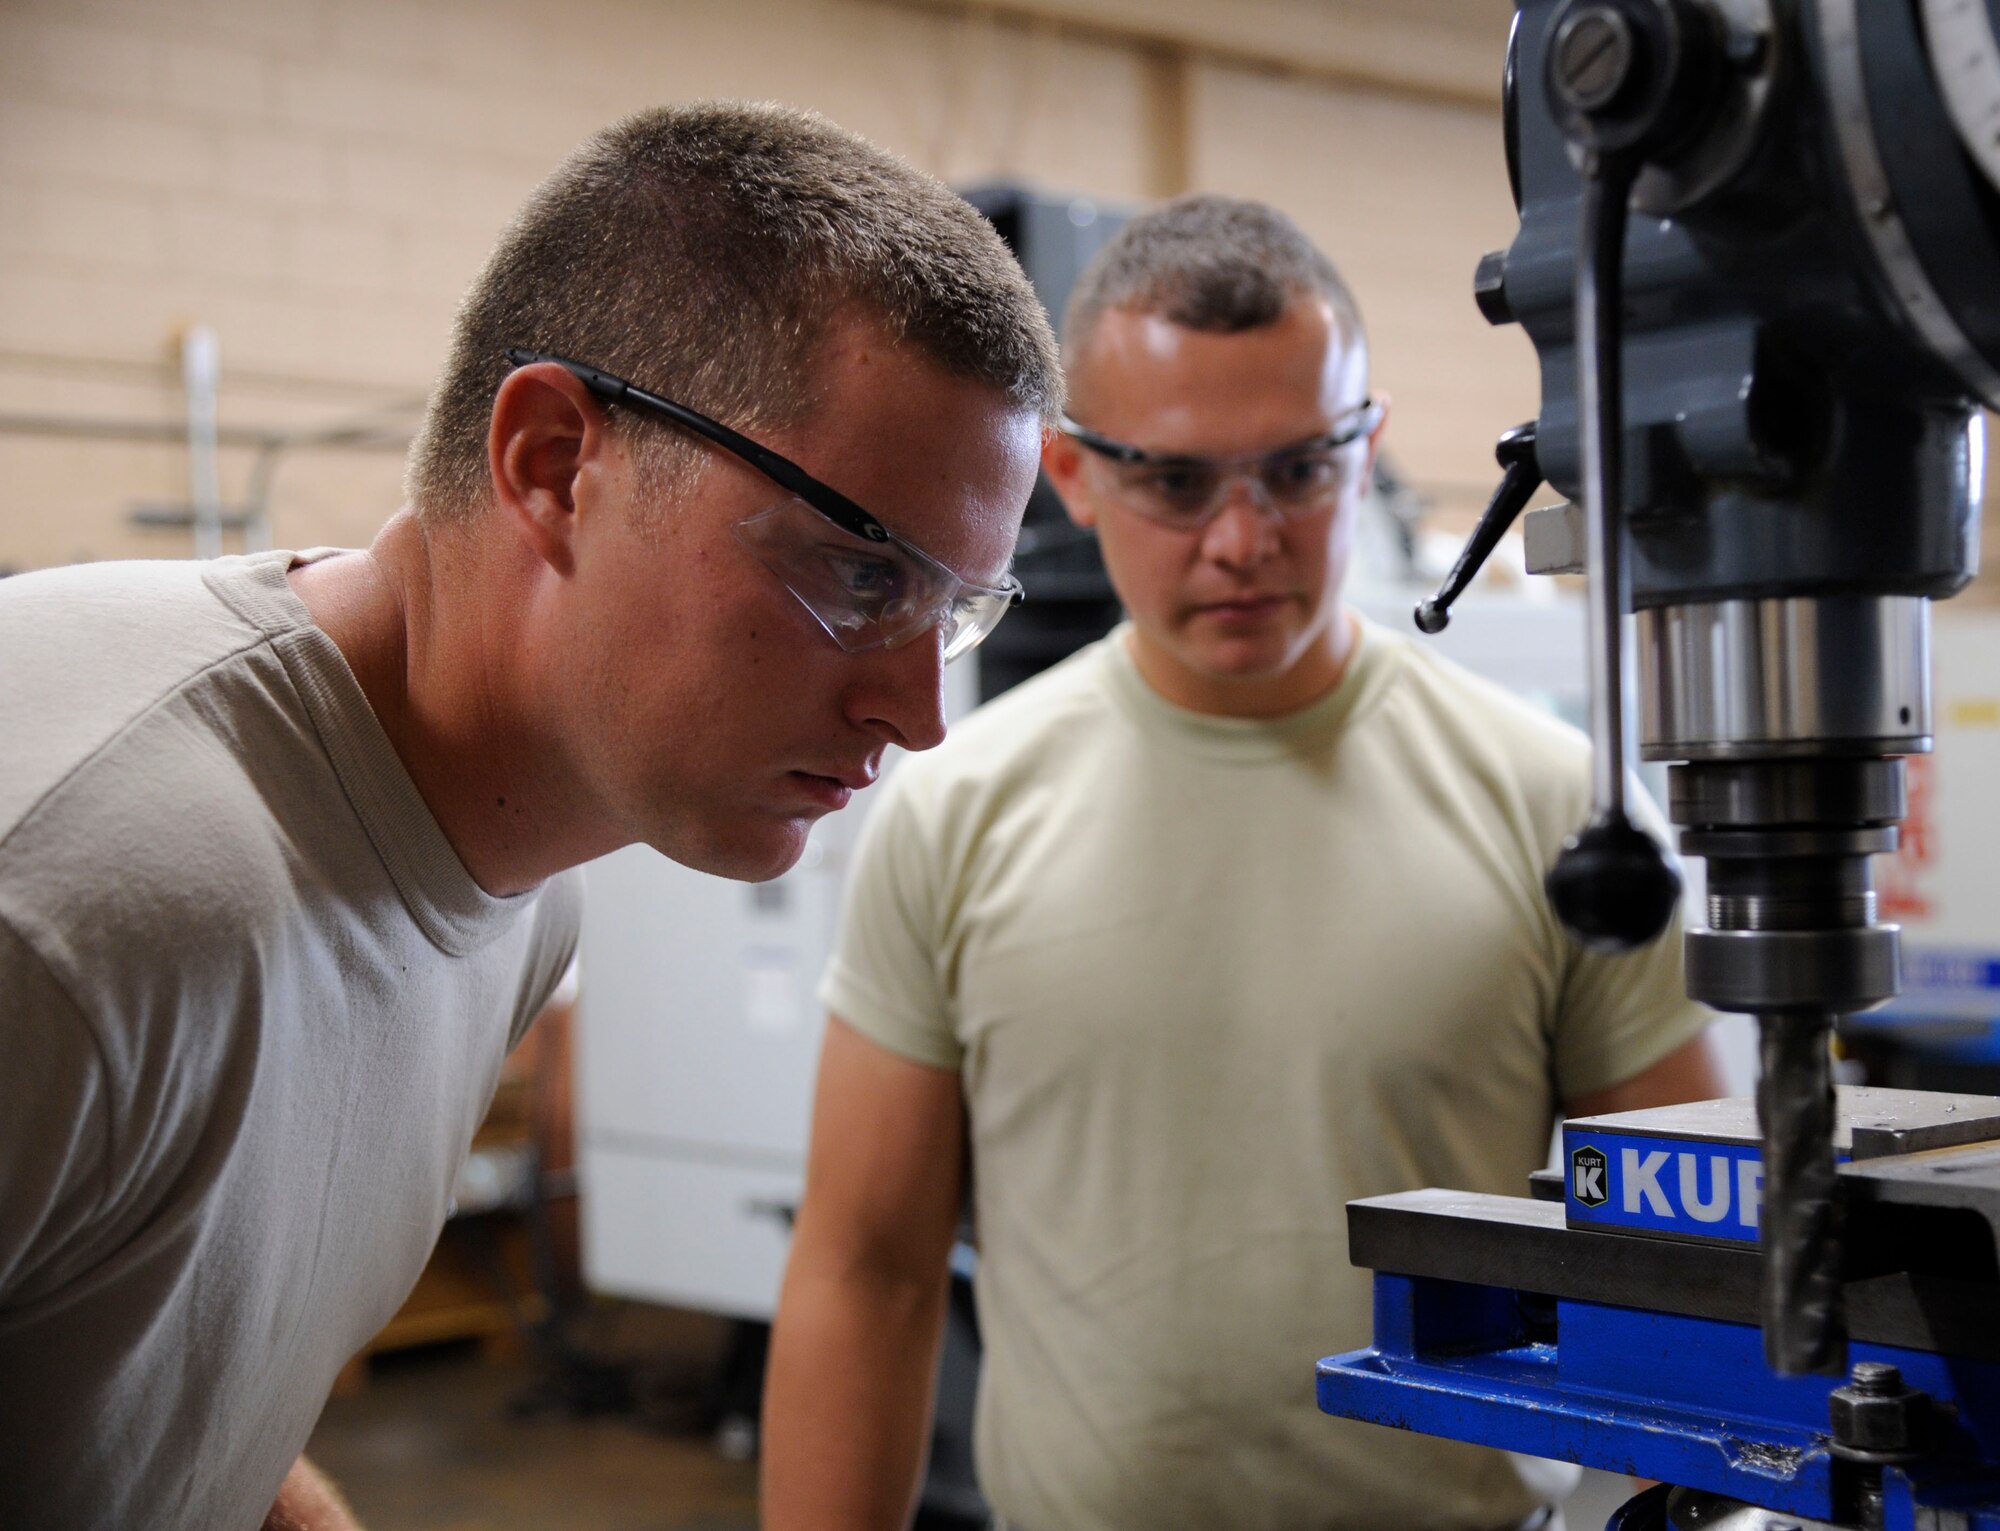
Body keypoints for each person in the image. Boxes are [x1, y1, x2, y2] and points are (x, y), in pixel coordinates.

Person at [0, 103, 1057, 1531]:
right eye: (863, 577)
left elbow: (132, 1407)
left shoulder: (519, 880)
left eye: (954, 607)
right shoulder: (77, 907)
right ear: (556, 464)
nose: (918, 713)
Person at [762, 193, 1723, 1531]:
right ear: (1071, 474)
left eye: (1299, 471)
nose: (1242, 539)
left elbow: (1688, 1261)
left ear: (1366, 447)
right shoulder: (958, 813)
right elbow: (867, 1270)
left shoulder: (1557, 806)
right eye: (1176, 482)